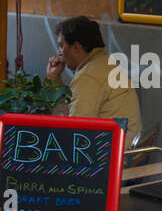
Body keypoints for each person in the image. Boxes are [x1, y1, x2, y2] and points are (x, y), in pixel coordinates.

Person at [44, 15, 141, 144]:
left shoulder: (89, 77)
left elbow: (74, 131)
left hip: (114, 157)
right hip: (126, 151)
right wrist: (54, 79)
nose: (60, 52)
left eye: (62, 46)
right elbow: (73, 112)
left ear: (76, 47)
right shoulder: (104, 63)